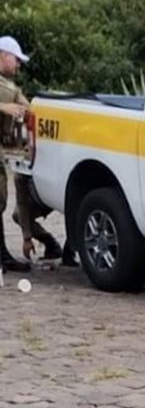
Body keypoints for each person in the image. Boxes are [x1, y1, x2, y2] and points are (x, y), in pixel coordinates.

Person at [0, 34, 67, 270]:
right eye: (16, 60)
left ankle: (3, 256)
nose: (18, 65)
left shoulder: (10, 88)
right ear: (3, 56)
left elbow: (30, 109)